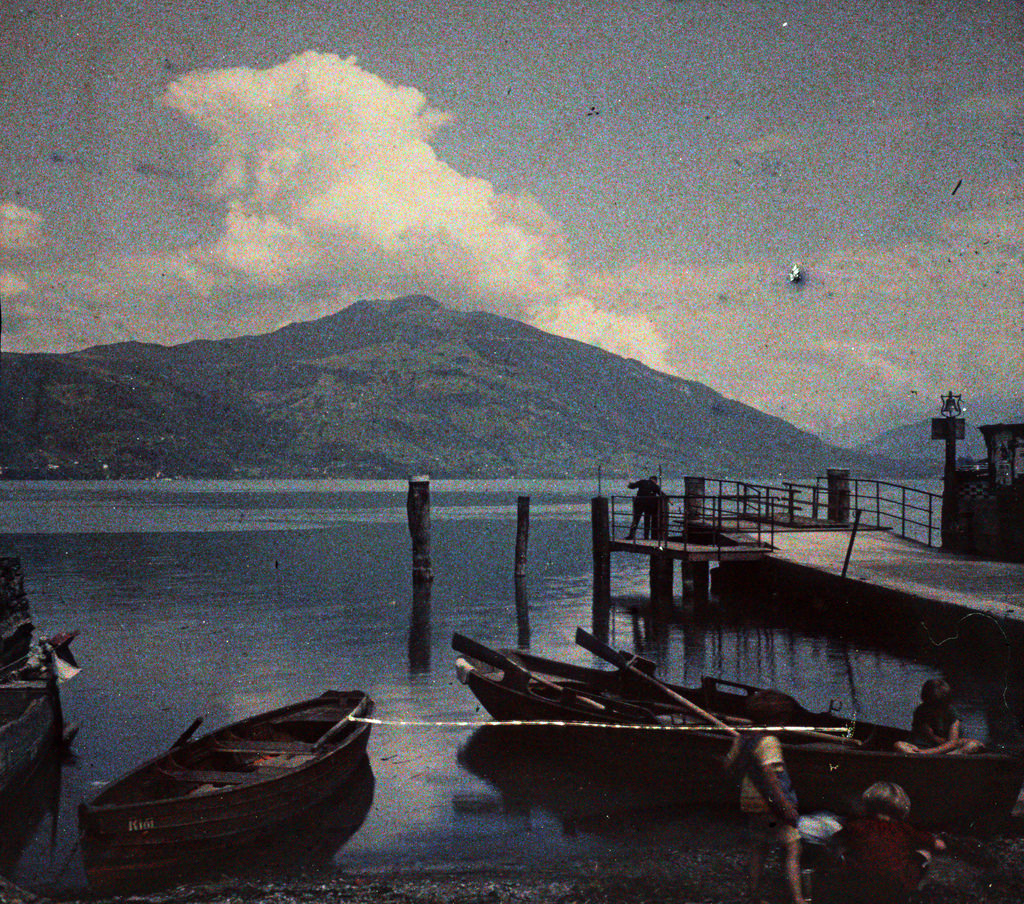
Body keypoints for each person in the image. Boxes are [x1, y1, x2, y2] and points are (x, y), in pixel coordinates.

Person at [723, 689, 808, 904]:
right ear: (777, 719)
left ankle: (754, 896)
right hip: (769, 804)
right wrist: (785, 805)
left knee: (758, 848)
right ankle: (798, 900)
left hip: (749, 803)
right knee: (793, 847)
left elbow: (728, 766)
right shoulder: (769, 742)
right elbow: (771, 778)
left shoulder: (743, 738)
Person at [825, 782, 945, 903]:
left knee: (843, 852)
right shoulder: (903, 829)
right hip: (897, 887)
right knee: (924, 854)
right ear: (901, 807)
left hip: (860, 886)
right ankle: (909, 894)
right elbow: (939, 846)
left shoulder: (856, 826)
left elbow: (833, 842)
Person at [894, 678, 984, 755]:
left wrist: (928, 749)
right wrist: (930, 740)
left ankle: (948, 756)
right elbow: (925, 737)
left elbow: (952, 742)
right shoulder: (921, 711)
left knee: (975, 744)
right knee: (898, 745)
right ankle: (945, 756)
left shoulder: (951, 712)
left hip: (941, 749)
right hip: (922, 747)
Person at [625, 475, 665, 539]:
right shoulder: (655, 486)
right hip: (649, 506)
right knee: (647, 521)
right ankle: (646, 537)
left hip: (639, 504)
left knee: (636, 520)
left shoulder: (642, 482)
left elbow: (632, 486)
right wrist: (669, 500)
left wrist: (630, 484)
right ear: (655, 480)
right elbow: (661, 494)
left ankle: (631, 535)